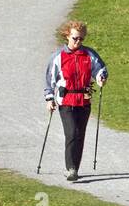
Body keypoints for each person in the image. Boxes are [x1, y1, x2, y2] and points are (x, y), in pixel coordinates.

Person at [43, 21, 108, 181]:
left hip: (84, 99)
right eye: (75, 38)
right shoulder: (59, 56)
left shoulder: (89, 55)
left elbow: (101, 69)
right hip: (66, 100)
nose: (78, 42)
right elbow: (50, 79)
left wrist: (101, 77)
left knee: (80, 134)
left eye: (81, 39)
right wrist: (49, 98)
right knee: (71, 132)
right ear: (67, 36)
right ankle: (70, 168)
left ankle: (75, 168)